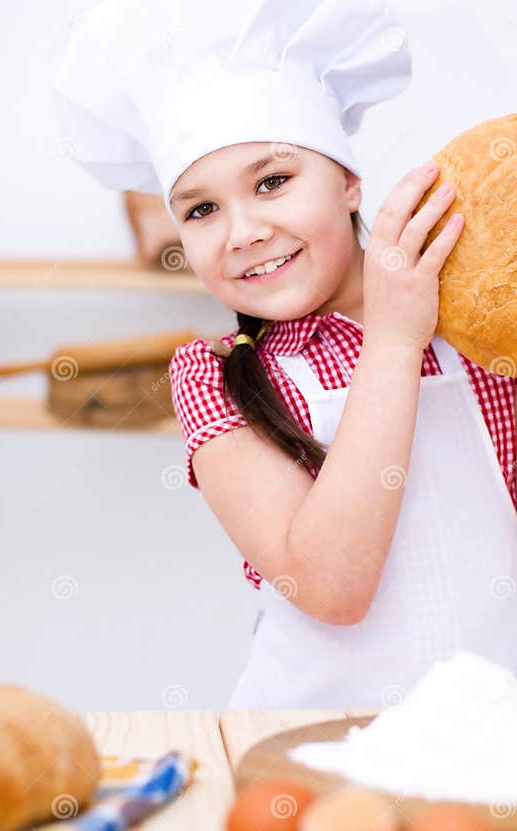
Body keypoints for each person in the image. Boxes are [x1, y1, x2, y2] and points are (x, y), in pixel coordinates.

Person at [51, 0, 517, 708]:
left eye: (273, 181)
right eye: (201, 209)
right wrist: (392, 340)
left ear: (350, 180)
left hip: (487, 753)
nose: (242, 231)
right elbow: (332, 584)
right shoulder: (213, 379)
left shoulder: (478, 325)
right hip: (309, 757)